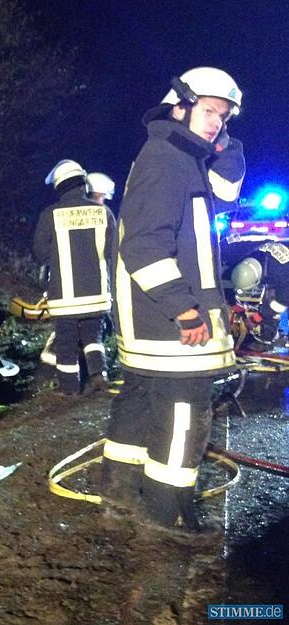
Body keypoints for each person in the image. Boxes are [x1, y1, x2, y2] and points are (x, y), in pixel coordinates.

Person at [101, 67, 244, 537]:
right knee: (185, 414)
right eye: (208, 112)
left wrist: (226, 147)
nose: (215, 124)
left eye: (222, 118)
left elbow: (226, 194)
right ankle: (166, 514)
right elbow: (143, 245)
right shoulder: (166, 159)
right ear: (179, 105)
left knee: (140, 404)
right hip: (171, 322)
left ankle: (118, 497)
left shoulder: (181, 158)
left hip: (151, 320)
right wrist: (183, 308)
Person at [32, 160, 115, 395]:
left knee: (66, 343)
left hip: (65, 299)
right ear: (82, 182)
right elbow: (113, 251)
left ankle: (69, 390)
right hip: (98, 296)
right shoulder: (104, 212)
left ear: (59, 187)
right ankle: (99, 377)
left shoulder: (50, 215)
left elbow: (39, 253)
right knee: (93, 338)